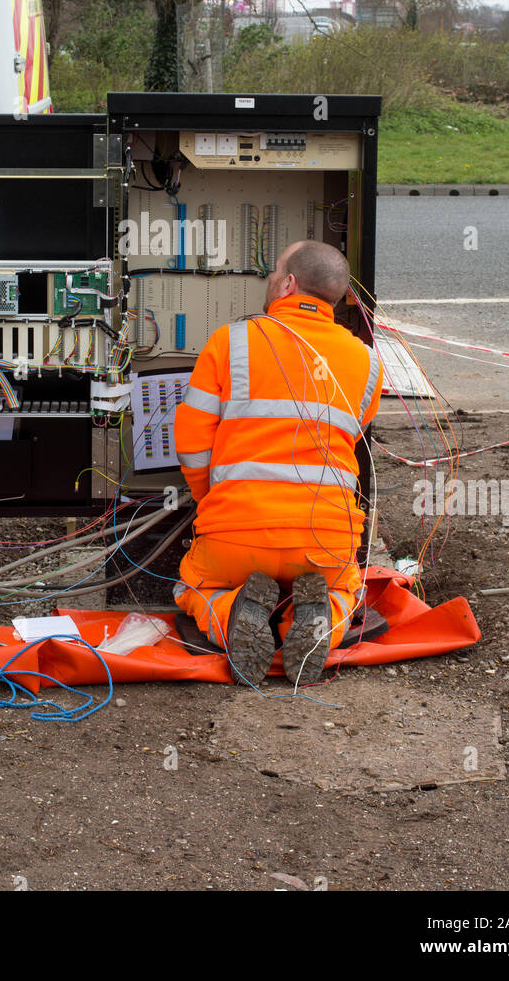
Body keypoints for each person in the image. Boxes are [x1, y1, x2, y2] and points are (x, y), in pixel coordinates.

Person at [173, 239, 382, 685]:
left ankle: (230, 613)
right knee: (348, 588)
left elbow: (190, 443)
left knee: (193, 586)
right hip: (324, 543)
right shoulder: (367, 361)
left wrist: (214, 504)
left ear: (288, 284)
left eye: (273, 275)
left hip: (235, 537)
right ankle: (323, 613)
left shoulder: (231, 340)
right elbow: (353, 441)